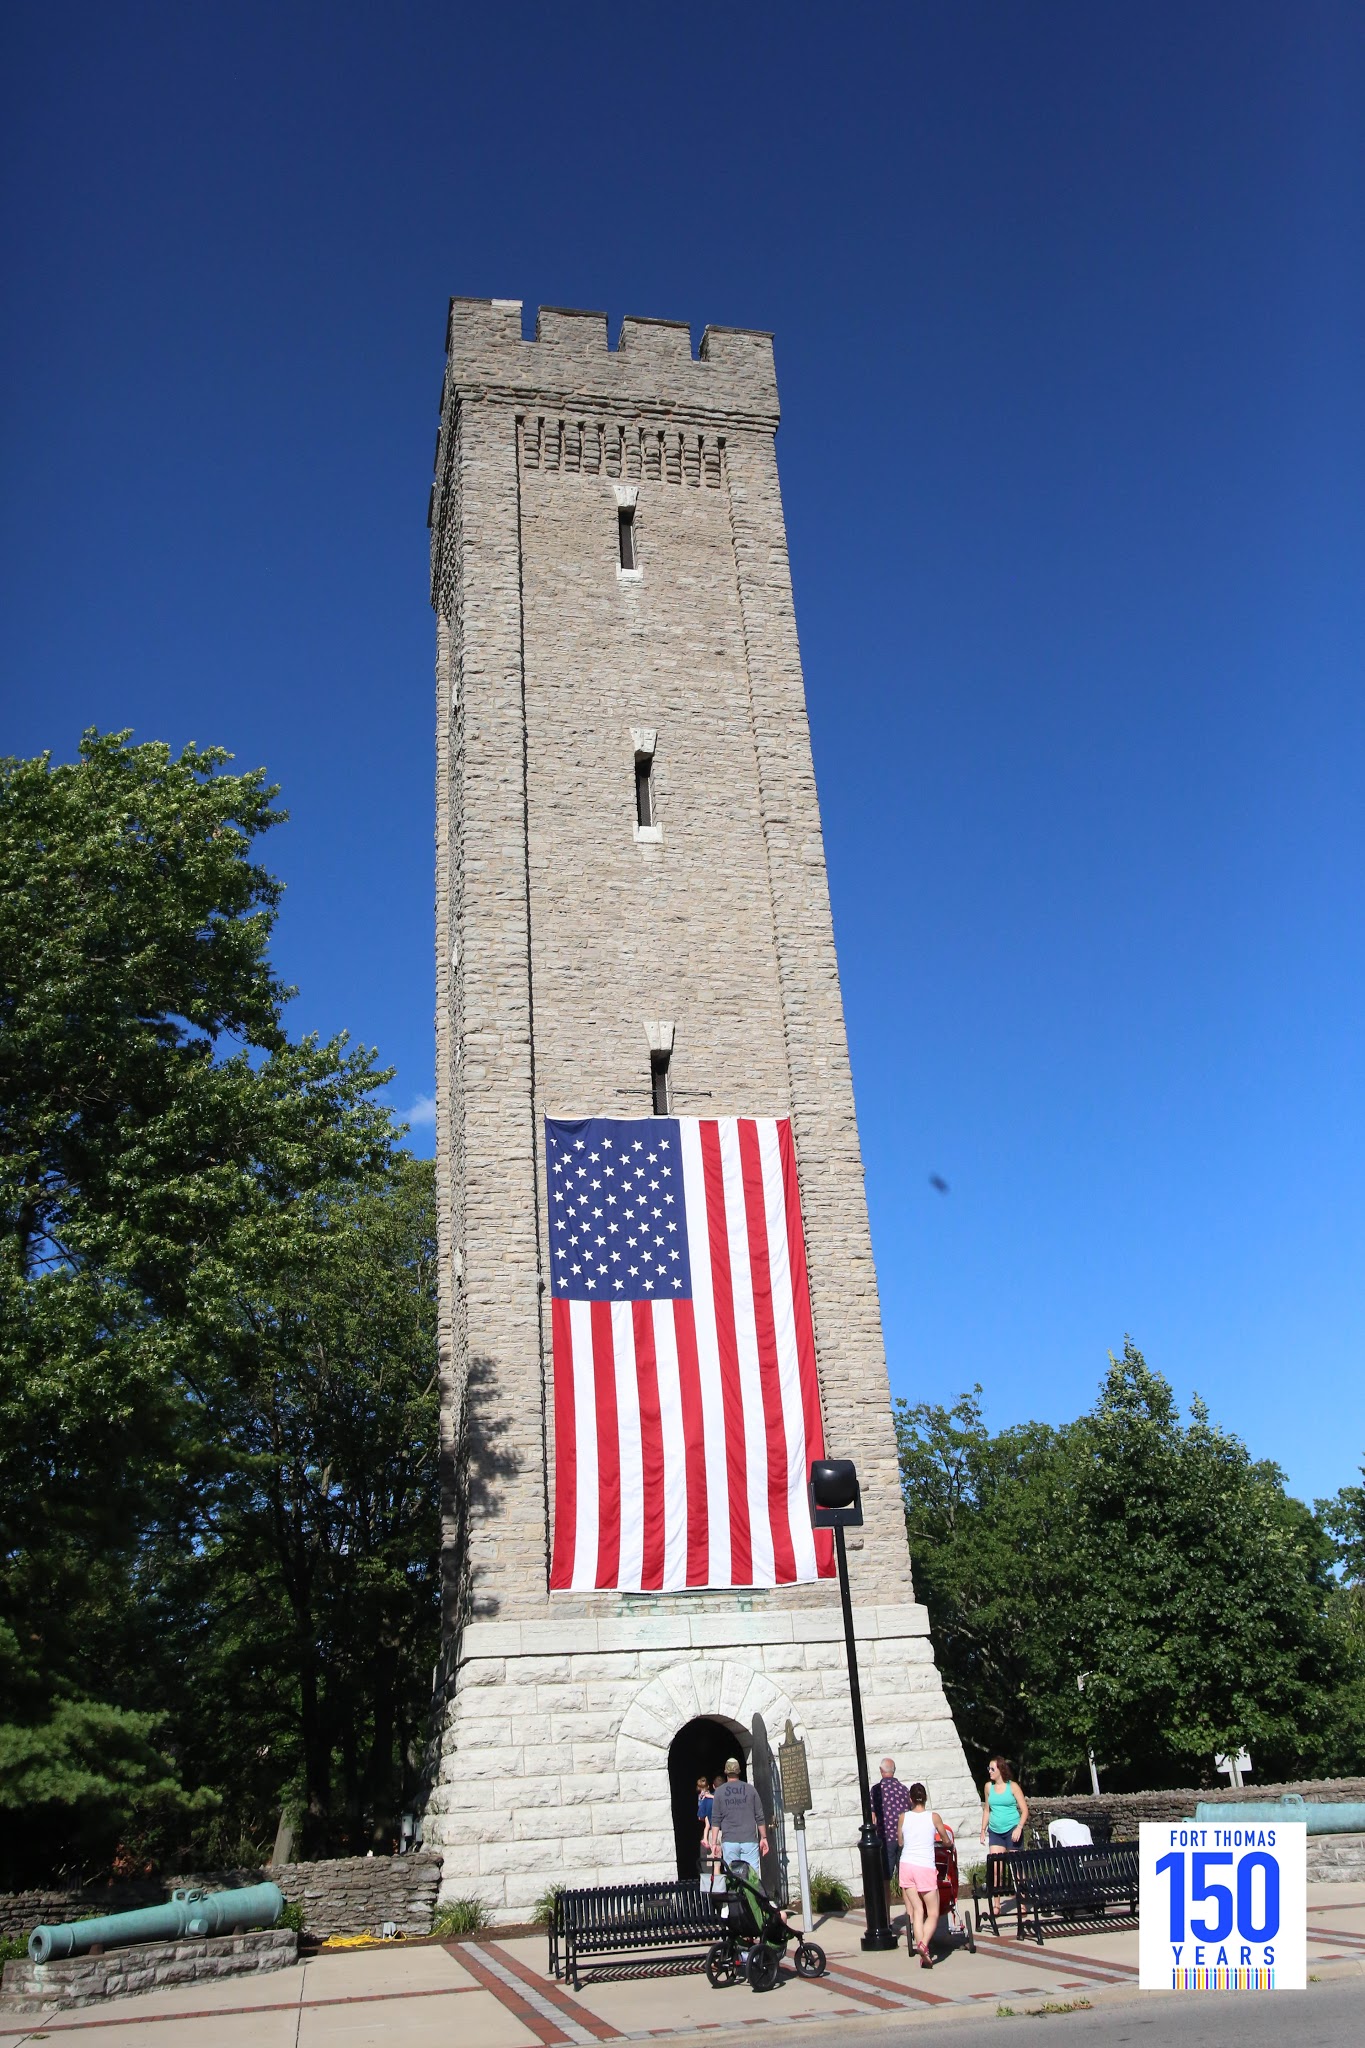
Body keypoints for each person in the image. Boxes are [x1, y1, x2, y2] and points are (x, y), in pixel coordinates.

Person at [898, 1783, 952, 1967]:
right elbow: (945, 1840)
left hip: (906, 1865)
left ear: (910, 1799)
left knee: (917, 1911)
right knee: (934, 1912)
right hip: (924, 1867)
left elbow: (900, 1841)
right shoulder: (934, 1817)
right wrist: (946, 1843)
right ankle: (923, 1944)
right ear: (925, 1798)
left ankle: (923, 1953)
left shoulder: (903, 1817)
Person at [709, 1756, 768, 1877]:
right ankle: (752, 1896)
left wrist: (714, 1843)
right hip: (749, 1840)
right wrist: (764, 1837)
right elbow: (759, 1816)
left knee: (734, 1878)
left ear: (726, 1772)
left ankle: (737, 1896)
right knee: (753, 1877)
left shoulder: (719, 1792)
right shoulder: (751, 1790)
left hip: (729, 1840)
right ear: (739, 1771)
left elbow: (715, 1820)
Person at [869, 1758, 912, 1905]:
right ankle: (911, 1916)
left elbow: (872, 1816)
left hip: (885, 1838)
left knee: (885, 1880)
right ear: (894, 1771)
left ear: (881, 1771)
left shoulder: (876, 1790)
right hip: (903, 1838)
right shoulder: (904, 1789)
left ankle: (886, 1919)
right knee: (906, 1881)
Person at [979, 1756, 1029, 1855]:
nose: (990, 1771)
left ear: (1001, 1770)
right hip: (995, 1831)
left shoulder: (1013, 1786)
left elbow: (1025, 1811)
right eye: (989, 1769)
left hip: (1012, 1829)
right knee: (996, 1866)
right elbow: (987, 1810)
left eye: (992, 1769)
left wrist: (1019, 1828)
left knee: (1016, 1866)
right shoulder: (988, 1787)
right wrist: (983, 1830)